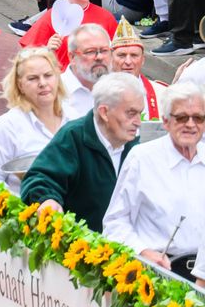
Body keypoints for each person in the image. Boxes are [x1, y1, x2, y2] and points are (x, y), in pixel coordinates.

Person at [103, 80, 205, 278]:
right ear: (166, 121)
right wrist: (143, 251)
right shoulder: (142, 158)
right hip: (158, 274)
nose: (190, 124)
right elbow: (114, 222)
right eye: (182, 118)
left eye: (198, 118)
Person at [22, 71, 144, 228]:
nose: (138, 122)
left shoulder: (135, 146)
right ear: (104, 112)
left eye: (139, 113)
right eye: (131, 113)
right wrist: (47, 200)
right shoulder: (73, 137)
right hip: (82, 240)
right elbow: (39, 178)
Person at [0, 47, 66, 188]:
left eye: (48, 75)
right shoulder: (6, 126)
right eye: (33, 78)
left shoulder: (74, 118)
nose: (43, 83)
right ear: (20, 85)